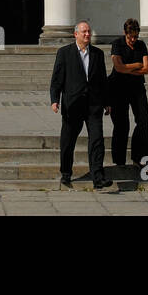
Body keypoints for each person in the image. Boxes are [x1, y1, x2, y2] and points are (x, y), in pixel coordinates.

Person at [50, 19, 113, 190]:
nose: (87, 34)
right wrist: (55, 100)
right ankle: (66, 173)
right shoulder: (64, 53)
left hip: (93, 105)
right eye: (84, 32)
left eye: (89, 32)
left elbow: (102, 81)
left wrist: (107, 102)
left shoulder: (98, 54)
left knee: (97, 140)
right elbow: (57, 79)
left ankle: (98, 177)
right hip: (73, 105)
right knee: (68, 141)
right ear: (75, 34)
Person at [109, 18, 148, 168]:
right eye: (130, 37)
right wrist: (136, 65)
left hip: (137, 87)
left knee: (143, 119)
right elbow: (118, 67)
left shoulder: (141, 45)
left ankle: (139, 156)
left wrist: (128, 69)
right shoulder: (117, 44)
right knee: (121, 124)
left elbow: (147, 69)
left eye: (135, 36)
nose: (133, 39)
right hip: (118, 88)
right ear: (124, 33)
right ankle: (119, 159)